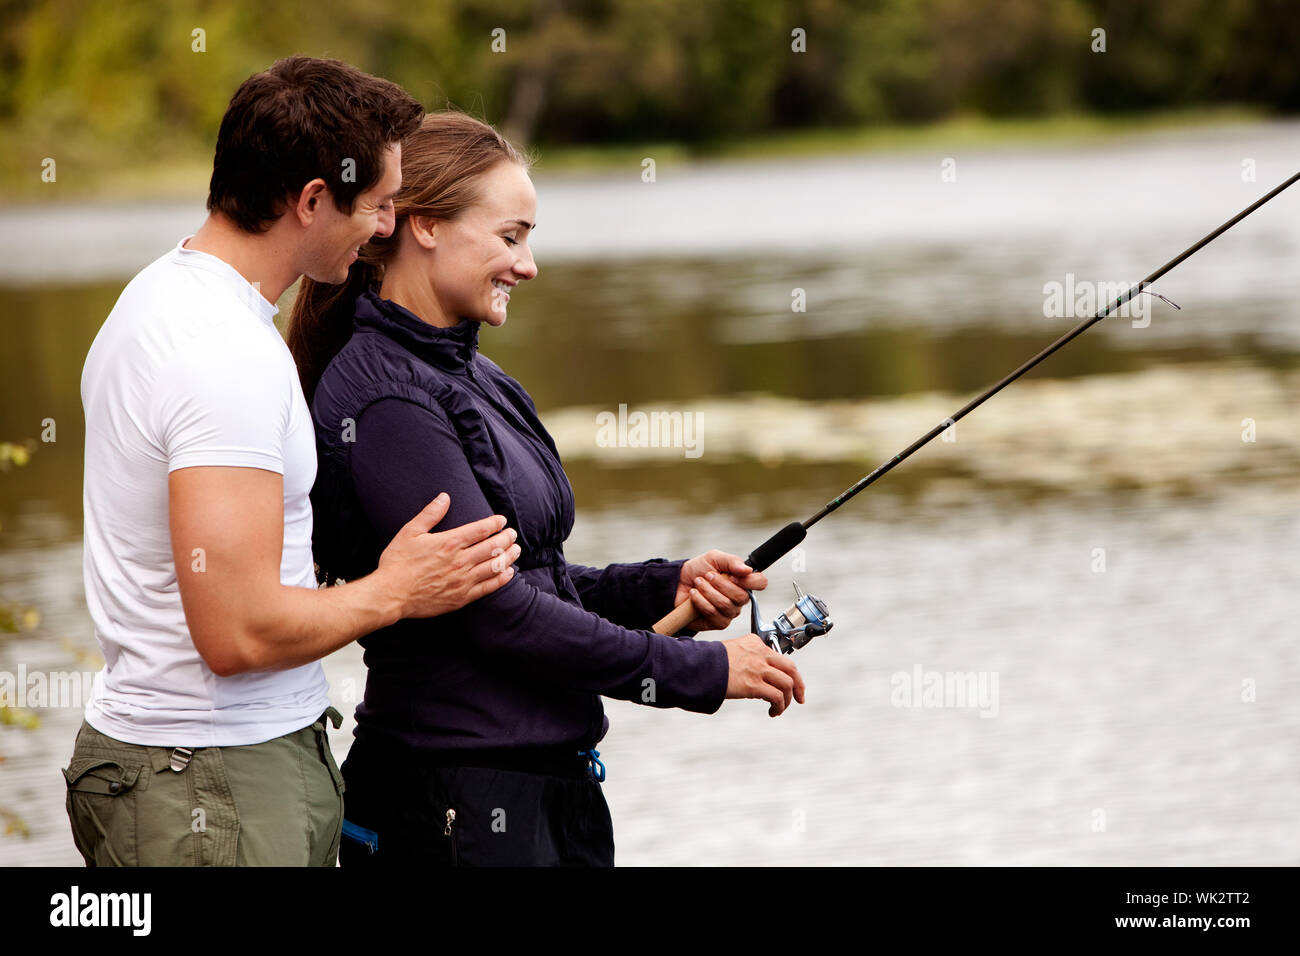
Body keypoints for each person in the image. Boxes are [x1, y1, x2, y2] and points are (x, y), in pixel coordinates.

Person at [288, 111, 807, 867]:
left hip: (547, 792)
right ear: (425, 226)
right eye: (510, 237)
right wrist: (699, 670)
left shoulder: (479, 376)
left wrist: (665, 586)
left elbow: (539, 579)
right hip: (454, 804)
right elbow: (497, 615)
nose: (527, 265)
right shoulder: (388, 401)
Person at [65, 58, 520, 867]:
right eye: (378, 206)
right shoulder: (223, 353)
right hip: (212, 784)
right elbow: (235, 632)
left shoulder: (160, 299)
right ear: (312, 200)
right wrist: (397, 592)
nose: (386, 229)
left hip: (199, 770)